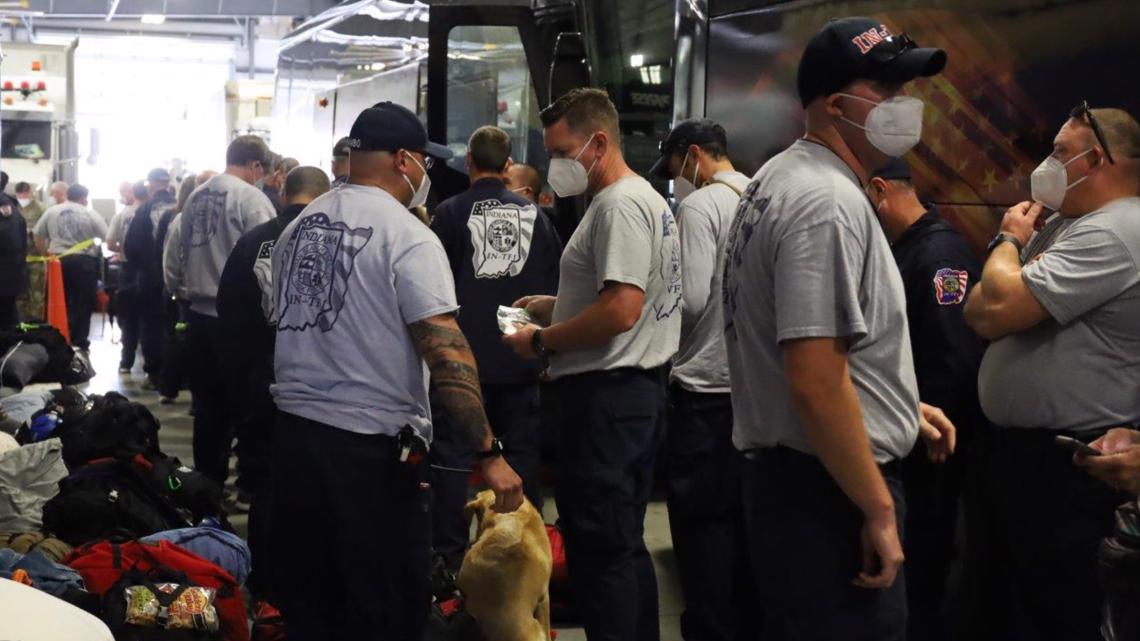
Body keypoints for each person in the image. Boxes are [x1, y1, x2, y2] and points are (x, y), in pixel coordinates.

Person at [721, 17, 953, 639]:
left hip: (795, 482)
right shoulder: (827, 203)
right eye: (886, 90)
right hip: (827, 498)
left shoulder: (779, 177)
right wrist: (877, 508)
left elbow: (805, 349)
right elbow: (816, 383)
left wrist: (896, 405)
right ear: (833, 104)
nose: (905, 107)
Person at [268, 102, 523, 640]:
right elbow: (447, 352)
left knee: (314, 602)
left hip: (292, 441)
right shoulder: (407, 236)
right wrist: (488, 453)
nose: (426, 174)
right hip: (370, 452)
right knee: (387, 605)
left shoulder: (300, 227)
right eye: (424, 163)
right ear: (404, 161)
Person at [503, 87, 681, 641]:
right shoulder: (645, 199)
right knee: (622, 548)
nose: (556, 165)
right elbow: (626, 297)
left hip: (607, 401)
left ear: (598, 142)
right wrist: (556, 305)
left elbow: (622, 310)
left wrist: (542, 341)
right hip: (633, 395)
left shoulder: (620, 205)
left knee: (600, 554)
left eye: (562, 151)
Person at [964, 104, 1140, 641]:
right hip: (1021, 462)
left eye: (1062, 152)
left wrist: (1008, 243)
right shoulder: (1066, 224)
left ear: (1100, 160)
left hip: (1070, 467)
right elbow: (979, 312)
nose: (1048, 164)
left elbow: (997, 305)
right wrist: (1006, 276)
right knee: (1014, 608)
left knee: (1063, 612)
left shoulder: (1118, 229)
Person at [427, 126, 562, 572]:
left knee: (451, 459)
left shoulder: (447, 214)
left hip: (462, 365)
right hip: (519, 357)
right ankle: (520, 556)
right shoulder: (538, 217)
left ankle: (447, 561)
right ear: (508, 166)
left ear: (469, 162)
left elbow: (434, 289)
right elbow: (553, 289)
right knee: (520, 458)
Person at [866, 157, 984, 641]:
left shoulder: (938, 256)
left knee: (923, 565)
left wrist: (931, 432)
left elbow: (951, 360)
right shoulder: (907, 248)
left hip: (931, 443)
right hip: (907, 432)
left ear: (879, 191)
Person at [648, 118, 756, 641]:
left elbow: (688, 300)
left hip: (705, 391)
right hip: (759, 395)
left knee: (701, 528)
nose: (676, 179)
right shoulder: (764, 196)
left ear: (693, 155)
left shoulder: (698, 206)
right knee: (746, 525)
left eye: (674, 167)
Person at [218, 165, 331, 599]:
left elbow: (230, 318)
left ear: (283, 193)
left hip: (260, 380)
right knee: (315, 488)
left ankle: (264, 584)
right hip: (319, 388)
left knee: (264, 484)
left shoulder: (250, 243)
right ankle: (308, 586)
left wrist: (239, 386)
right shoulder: (334, 242)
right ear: (322, 198)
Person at [175, 136, 276, 486]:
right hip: (236, 322)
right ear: (257, 166)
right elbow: (267, 263)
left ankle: (207, 485)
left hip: (197, 316)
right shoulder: (252, 199)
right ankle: (249, 483)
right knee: (247, 408)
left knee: (207, 410)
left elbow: (177, 254)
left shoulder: (195, 196)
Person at [34, 183, 108, 350]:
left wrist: (46, 253)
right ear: (83, 198)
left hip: (59, 263)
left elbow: (37, 234)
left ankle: (58, 339)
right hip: (84, 263)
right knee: (83, 303)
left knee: (59, 302)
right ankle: (80, 342)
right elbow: (106, 235)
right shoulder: (90, 213)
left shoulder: (52, 211)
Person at [123, 169, 176, 388]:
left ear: (152, 185)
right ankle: (176, 376)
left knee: (150, 326)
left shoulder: (144, 210)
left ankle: (154, 374)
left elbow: (131, 246)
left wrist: (143, 268)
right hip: (176, 279)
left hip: (149, 278)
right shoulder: (179, 208)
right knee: (174, 327)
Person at [107, 181, 149, 373]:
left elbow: (110, 242)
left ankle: (126, 361)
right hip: (149, 270)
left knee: (128, 317)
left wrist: (123, 249)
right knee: (149, 318)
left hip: (126, 269)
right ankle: (151, 366)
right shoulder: (153, 213)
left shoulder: (121, 214)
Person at [13, 182, 46, 323]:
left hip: (35, 258)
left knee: (36, 294)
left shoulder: (41, 209)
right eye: (19, 194)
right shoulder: (14, 207)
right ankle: (20, 323)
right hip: (17, 259)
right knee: (20, 293)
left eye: (25, 194)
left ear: (31, 192)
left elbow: (44, 232)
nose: (22, 197)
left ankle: (34, 324)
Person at [0, 172, 27, 327]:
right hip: (7, 273)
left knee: (5, 316)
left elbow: (8, 237)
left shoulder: (4, 205)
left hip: (5, 273)